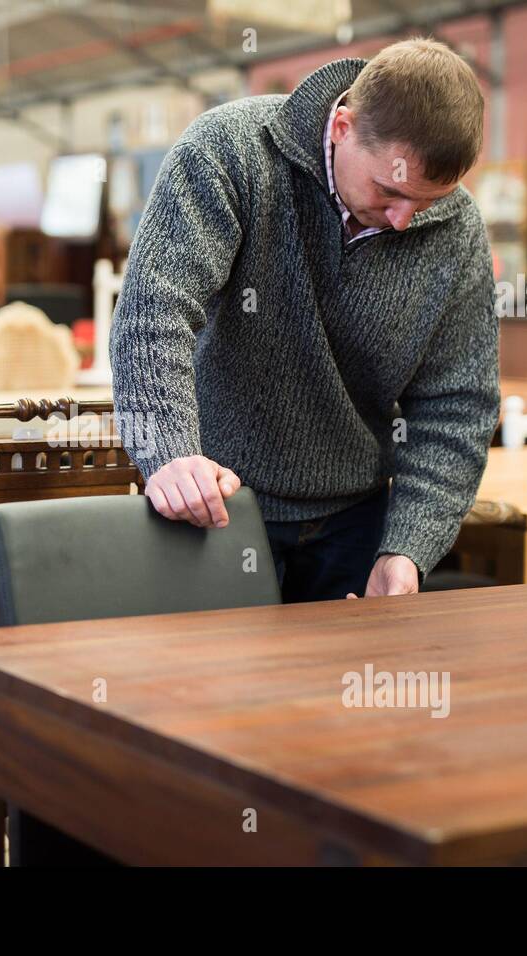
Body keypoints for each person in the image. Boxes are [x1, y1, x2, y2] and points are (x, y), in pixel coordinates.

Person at [111, 38, 500, 601]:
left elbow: (457, 406)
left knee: (339, 688)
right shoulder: (229, 151)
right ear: (342, 126)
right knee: (206, 687)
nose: (402, 220)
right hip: (216, 508)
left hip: (357, 527)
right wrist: (168, 454)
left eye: (427, 201)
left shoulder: (457, 228)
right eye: (389, 191)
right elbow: (155, 309)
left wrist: (408, 549)